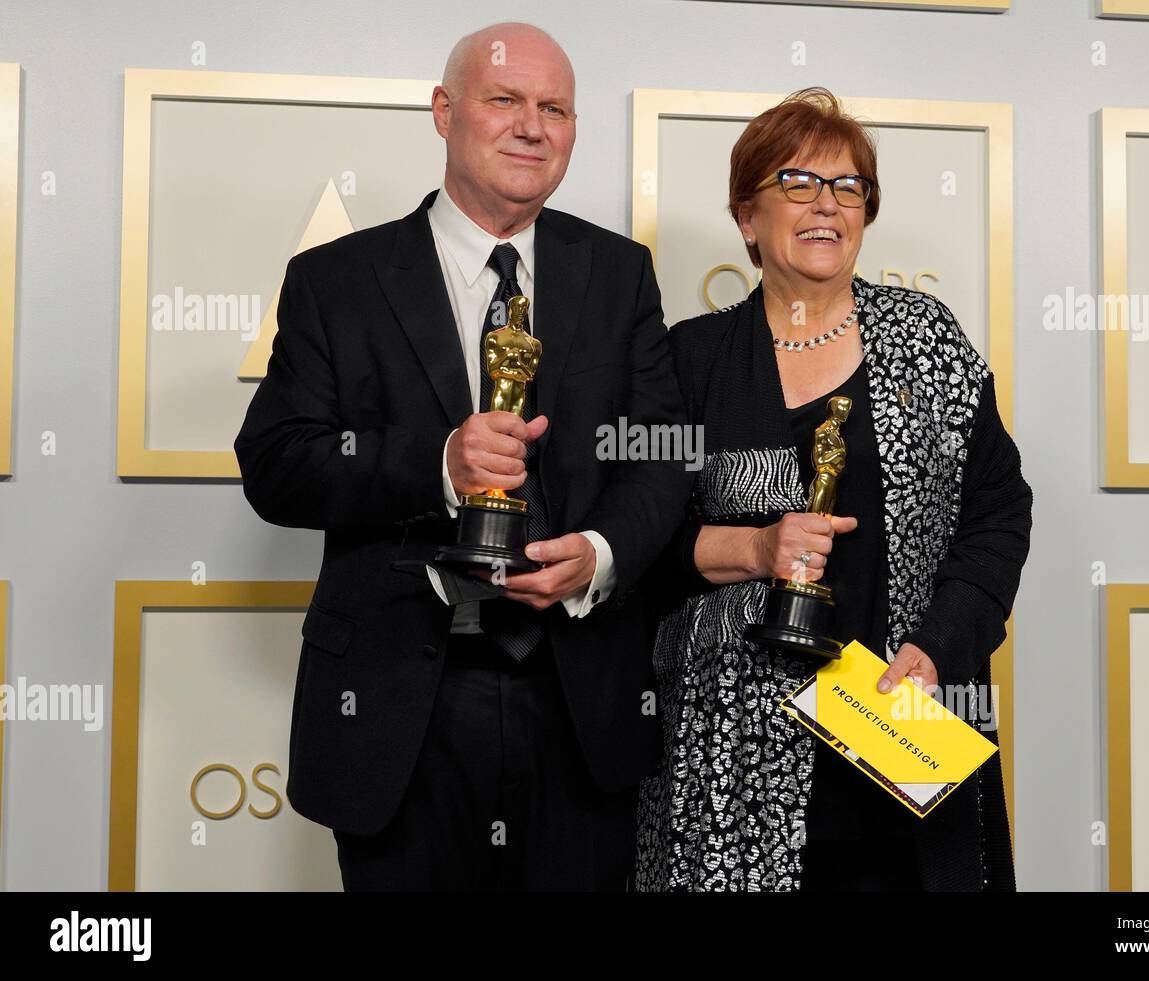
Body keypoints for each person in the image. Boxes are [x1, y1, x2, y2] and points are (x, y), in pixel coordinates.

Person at [235, 21, 693, 891]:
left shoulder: (620, 272)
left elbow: (662, 453)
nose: (532, 125)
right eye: (505, 100)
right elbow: (277, 462)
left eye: (555, 107)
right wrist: (438, 463)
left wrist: (599, 555)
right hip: (398, 708)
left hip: (580, 697)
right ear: (445, 112)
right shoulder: (337, 280)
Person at [634, 87, 1032, 892]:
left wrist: (938, 649)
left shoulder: (927, 340)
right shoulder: (691, 359)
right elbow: (637, 537)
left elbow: (998, 512)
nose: (827, 205)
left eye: (848, 187)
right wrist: (752, 546)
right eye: (798, 183)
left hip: (898, 728)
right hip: (729, 764)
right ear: (747, 217)